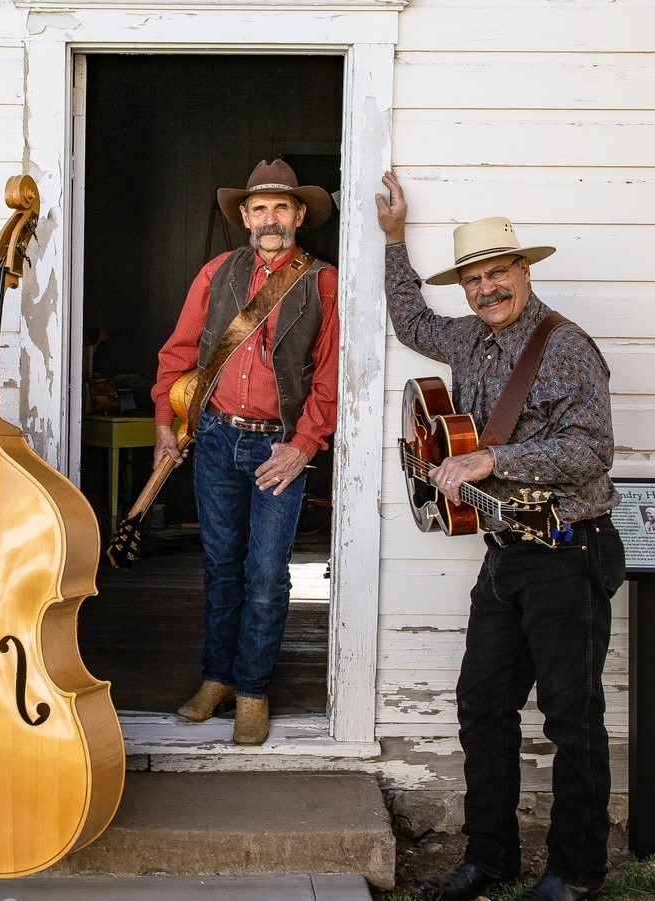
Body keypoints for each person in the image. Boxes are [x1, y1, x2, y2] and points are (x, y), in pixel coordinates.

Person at [376, 172, 626, 901]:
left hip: (568, 550)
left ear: (524, 271)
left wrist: (491, 457)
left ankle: (575, 873)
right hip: (505, 556)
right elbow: (407, 322)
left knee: (569, 717)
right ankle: (489, 859)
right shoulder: (465, 338)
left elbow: (590, 451)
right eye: (474, 279)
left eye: (497, 274)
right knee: (481, 705)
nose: (486, 289)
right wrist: (394, 241)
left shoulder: (566, 347)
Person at [151, 159, 340, 745]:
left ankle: (253, 689)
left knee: (266, 575)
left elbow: (332, 375)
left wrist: (304, 445)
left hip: (276, 447)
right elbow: (179, 354)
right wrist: (166, 424)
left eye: (282, 208)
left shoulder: (323, 281)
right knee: (220, 568)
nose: (270, 219)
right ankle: (218, 678)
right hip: (213, 437)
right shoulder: (216, 273)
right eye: (259, 209)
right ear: (244, 216)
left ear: (300, 215)